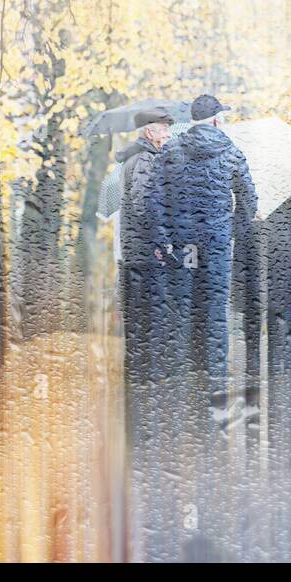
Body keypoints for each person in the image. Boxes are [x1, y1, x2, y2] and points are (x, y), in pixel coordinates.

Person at [148, 93, 258, 387]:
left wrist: (164, 239)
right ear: (216, 120)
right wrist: (232, 231)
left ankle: (182, 372)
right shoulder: (231, 151)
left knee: (183, 304)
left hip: (184, 245)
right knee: (215, 305)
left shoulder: (170, 151)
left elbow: (153, 199)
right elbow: (248, 199)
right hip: (217, 243)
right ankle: (215, 373)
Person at [117, 109, 174, 382]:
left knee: (140, 314)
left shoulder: (139, 158)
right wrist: (163, 241)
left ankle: (140, 372)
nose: (168, 133)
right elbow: (145, 205)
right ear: (149, 132)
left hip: (137, 250)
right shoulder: (144, 161)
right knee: (151, 314)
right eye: (164, 128)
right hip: (145, 252)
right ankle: (149, 374)